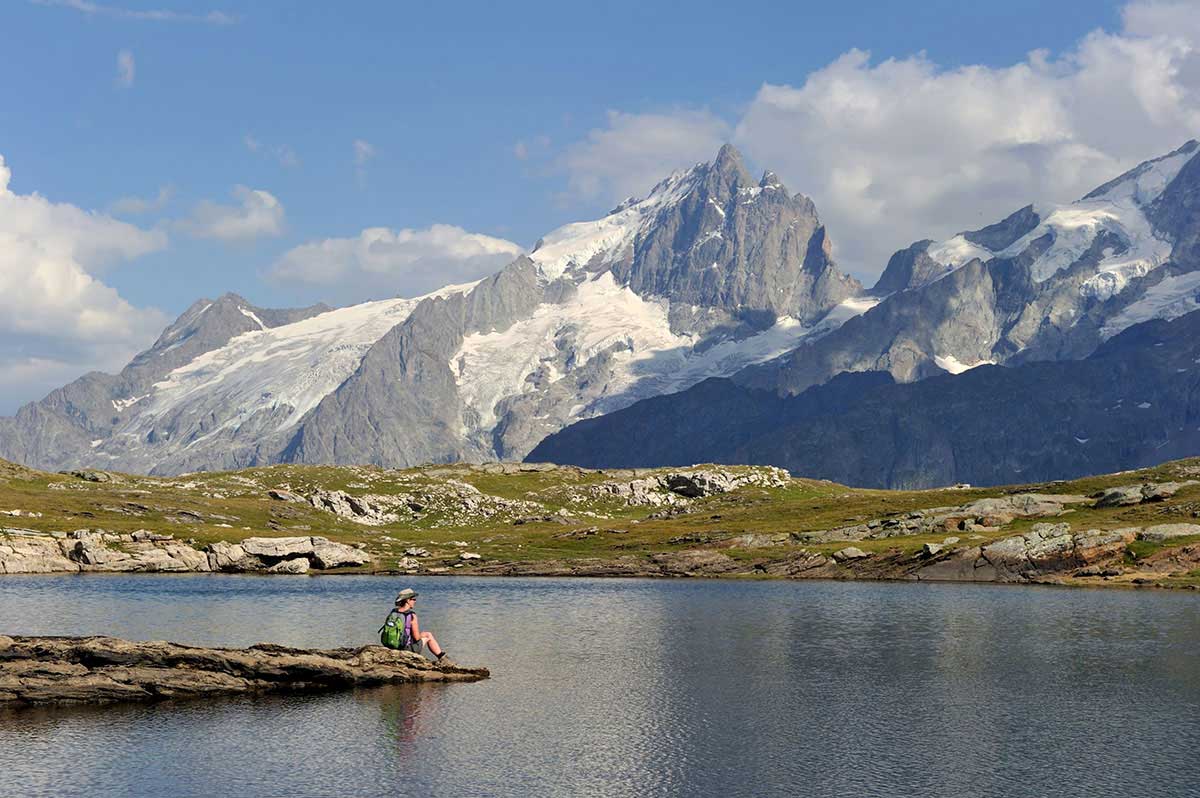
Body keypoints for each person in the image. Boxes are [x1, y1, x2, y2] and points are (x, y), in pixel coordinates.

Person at [388, 588, 453, 665]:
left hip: (393, 645)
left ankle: (442, 657)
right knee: (428, 637)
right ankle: (442, 658)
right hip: (406, 649)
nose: (415, 601)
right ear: (408, 601)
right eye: (413, 599)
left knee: (427, 633)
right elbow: (416, 638)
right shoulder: (412, 615)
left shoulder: (393, 611)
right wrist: (420, 635)